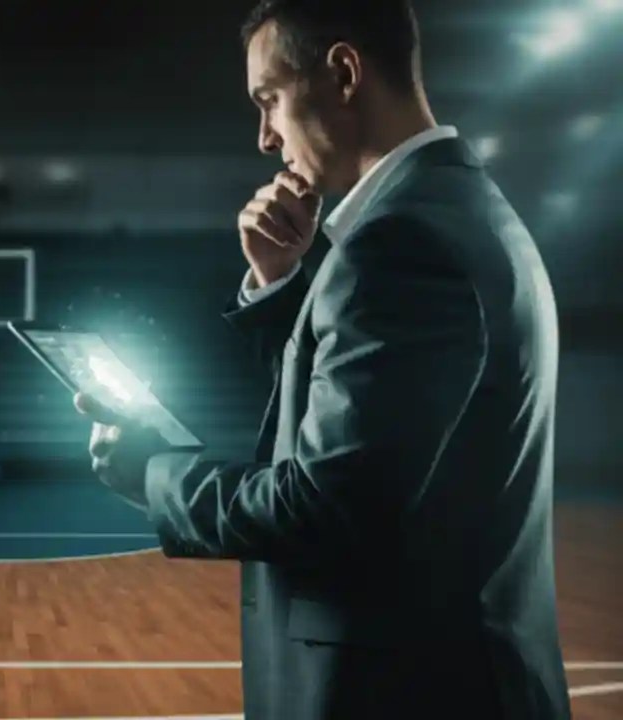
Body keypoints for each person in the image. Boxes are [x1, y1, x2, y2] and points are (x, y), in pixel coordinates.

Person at [73, 1, 572, 718]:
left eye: (269, 99)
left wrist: (155, 474)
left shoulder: (402, 245)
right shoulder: (455, 207)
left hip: (407, 696)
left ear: (342, 73)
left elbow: (324, 505)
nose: (264, 136)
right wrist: (281, 282)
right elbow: (370, 428)